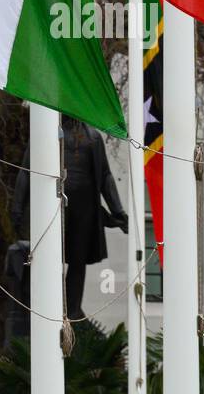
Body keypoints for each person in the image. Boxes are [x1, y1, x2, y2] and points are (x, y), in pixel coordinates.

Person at [12, 115, 128, 321]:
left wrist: (118, 211)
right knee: (50, 258)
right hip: (53, 209)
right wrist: (17, 209)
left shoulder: (93, 137)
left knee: (78, 262)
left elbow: (105, 176)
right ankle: (48, 306)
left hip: (84, 210)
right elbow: (26, 171)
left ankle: (72, 311)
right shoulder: (47, 133)